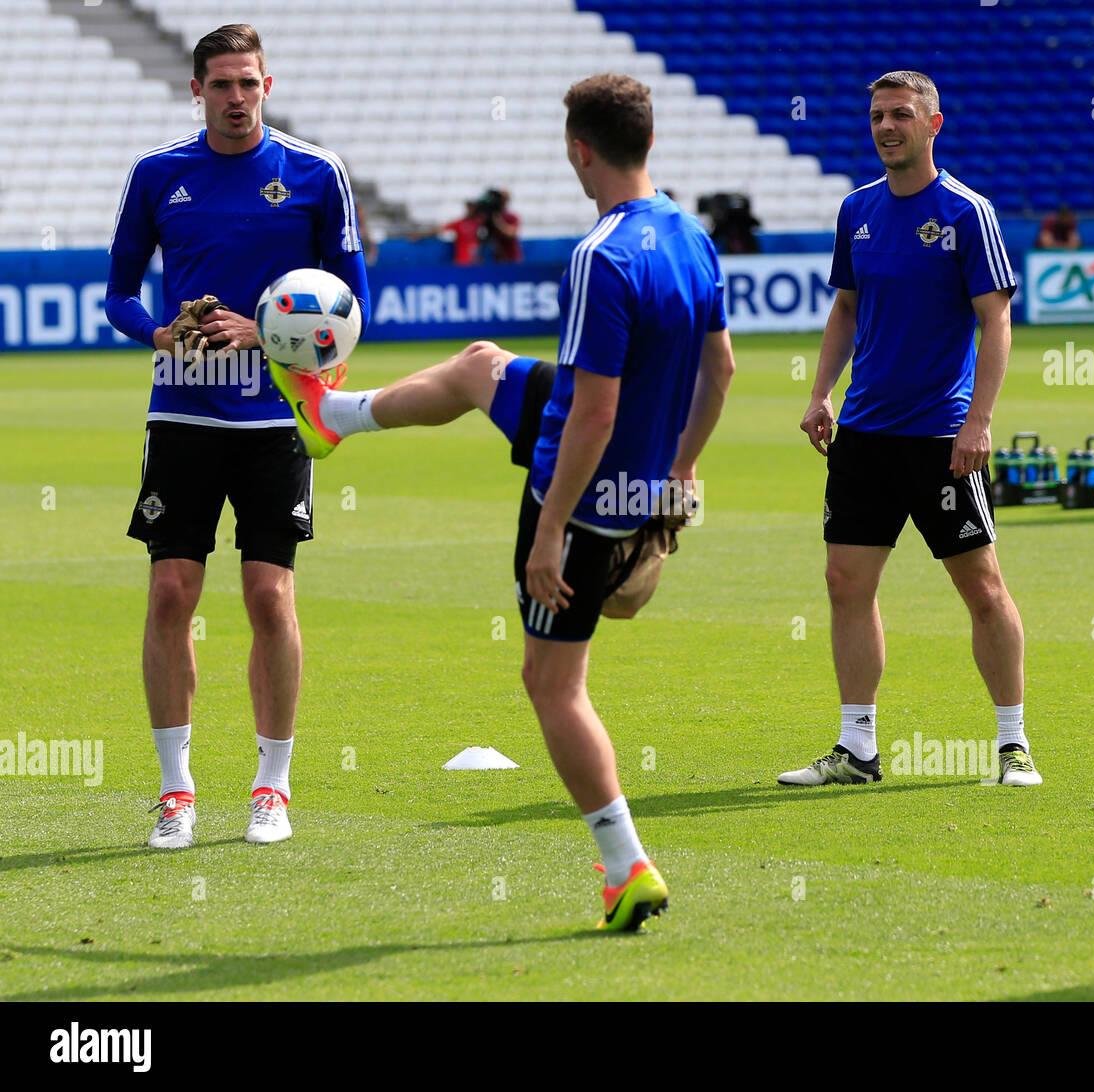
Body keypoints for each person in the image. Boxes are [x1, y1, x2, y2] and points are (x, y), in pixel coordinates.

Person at [272, 74, 735, 930]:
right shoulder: (689, 235)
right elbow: (723, 371)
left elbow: (594, 412)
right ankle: (331, 416)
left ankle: (625, 862)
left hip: (585, 485)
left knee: (553, 681)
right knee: (482, 366)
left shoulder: (601, 259)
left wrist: (550, 529)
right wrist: (681, 469)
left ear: (578, 150)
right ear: (651, 142)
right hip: (643, 477)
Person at [105, 24, 370, 849]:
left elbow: (356, 304)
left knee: (269, 596)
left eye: (248, 83)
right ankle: (176, 792)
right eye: (220, 84)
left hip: (276, 418)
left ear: (267, 84)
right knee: (170, 594)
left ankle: (273, 787)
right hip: (183, 414)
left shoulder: (316, 173)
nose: (235, 98)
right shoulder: (158, 174)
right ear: (197, 90)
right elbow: (117, 294)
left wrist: (267, 335)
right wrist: (158, 334)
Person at [779, 70, 1041, 790]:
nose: (886, 126)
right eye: (876, 116)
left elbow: (997, 319)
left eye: (900, 114)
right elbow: (846, 311)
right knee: (844, 584)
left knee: (982, 589)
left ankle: (1013, 744)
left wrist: (979, 420)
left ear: (933, 124)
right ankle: (856, 750)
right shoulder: (856, 210)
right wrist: (820, 392)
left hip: (941, 440)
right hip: (863, 436)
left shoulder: (966, 211)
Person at [408, 201, 484, 265]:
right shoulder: (460, 223)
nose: (471, 210)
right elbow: (439, 229)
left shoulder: (479, 222)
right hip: (463, 261)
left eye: (473, 208)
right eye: (469, 208)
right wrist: (420, 234)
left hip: (477, 261)